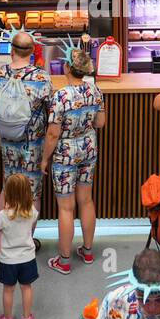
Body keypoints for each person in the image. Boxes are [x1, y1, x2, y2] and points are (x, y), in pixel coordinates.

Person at [42, 49, 104, 275]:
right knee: (86, 201)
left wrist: (44, 160)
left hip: (65, 155)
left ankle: (64, 260)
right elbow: (100, 122)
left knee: (66, 208)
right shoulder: (95, 90)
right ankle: (87, 251)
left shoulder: (61, 96)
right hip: (89, 150)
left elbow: (52, 134)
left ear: (67, 68)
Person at [0, 31, 51, 205]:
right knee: (33, 191)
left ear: (11, 50)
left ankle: (1, 232)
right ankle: (27, 234)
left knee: (8, 187)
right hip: (32, 141)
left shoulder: (0, 73)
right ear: (32, 51)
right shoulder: (41, 77)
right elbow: (49, 108)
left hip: (7, 137)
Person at [0, 174, 39, 319]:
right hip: (27, 257)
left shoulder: (3, 215)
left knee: (8, 289)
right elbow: (32, 219)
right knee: (26, 287)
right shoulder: (32, 211)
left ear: (8, 193)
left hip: (8, 259)